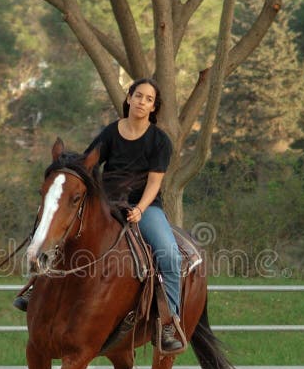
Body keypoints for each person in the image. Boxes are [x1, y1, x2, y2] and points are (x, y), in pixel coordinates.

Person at [14, 78, 184, 353]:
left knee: (170, 255)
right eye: (138, 95)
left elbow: (155, 183)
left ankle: (168, 322)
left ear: (154, 107)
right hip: (108, 202)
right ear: (128, 98)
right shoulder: (110, 133)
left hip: (144, 207)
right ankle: (36, 285)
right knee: (66, 233)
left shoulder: (159, 141)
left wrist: (140, 209)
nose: (142, 102)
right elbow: (87, 164)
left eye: (148, 99)